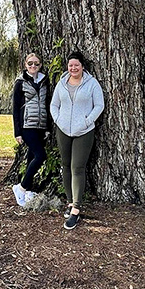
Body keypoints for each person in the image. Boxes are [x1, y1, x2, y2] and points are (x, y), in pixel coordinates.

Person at [50, 51, 104, 230]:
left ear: (82, 67)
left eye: (76, 65)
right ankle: (70, 202)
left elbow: (99, 105)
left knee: (77, 167)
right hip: (63, 130)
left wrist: (87, 121)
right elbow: (54, 105)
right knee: (65, 165)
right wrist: (58, 120)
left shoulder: (91, 83)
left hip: (84, 131)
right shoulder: (62, 84)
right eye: (71, 65)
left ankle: (76, 209)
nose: (73, 68)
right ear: (68, 66)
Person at [12, 52, 50, 206]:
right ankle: (20, 187)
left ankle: (28, 191)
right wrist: (17, 132)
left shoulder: (44, 80)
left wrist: (47, 127)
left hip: (40, 125)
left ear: (40, 65)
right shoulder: (20, 83)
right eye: (30, 63)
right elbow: (15, 109)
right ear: (25, 65)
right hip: (27, 125)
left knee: (31, 158)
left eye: (36, 63)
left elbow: (47, 104)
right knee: (41, 156)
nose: (33, 66)